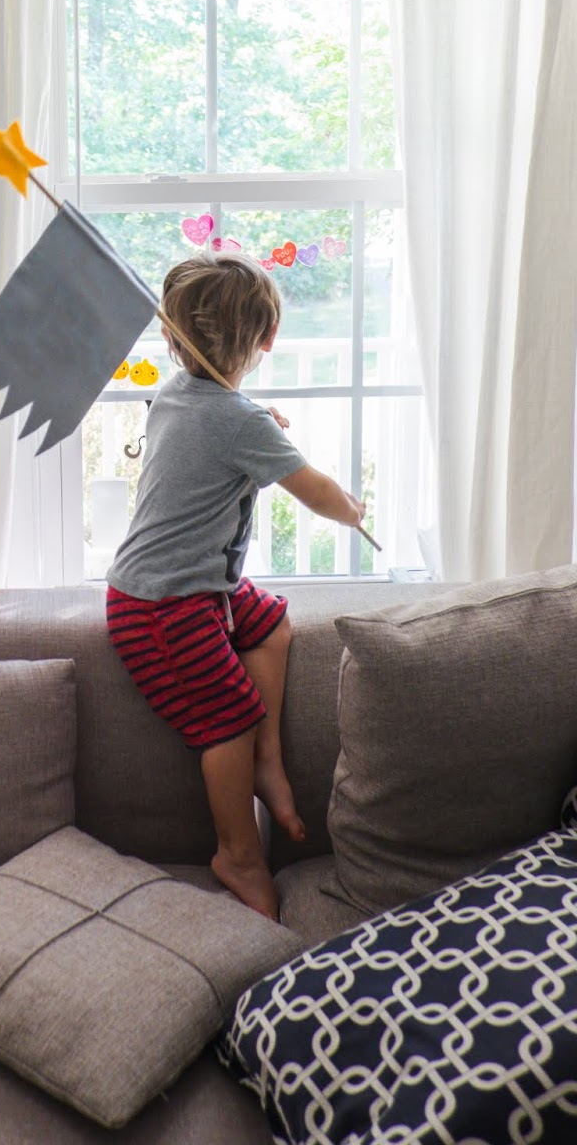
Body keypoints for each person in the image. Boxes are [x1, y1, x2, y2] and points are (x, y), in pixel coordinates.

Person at [106, 251, 366, 921]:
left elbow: (217, 434)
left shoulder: (177, 394)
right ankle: (238, 854)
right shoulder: (236, 419)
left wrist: (260, 423)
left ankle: (269, 760)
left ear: (171, 336)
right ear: (267, 340)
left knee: (270, 624)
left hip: (194, 589)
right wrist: (352, 511)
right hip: (162, 606)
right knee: (226, 718)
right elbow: (316, 495)